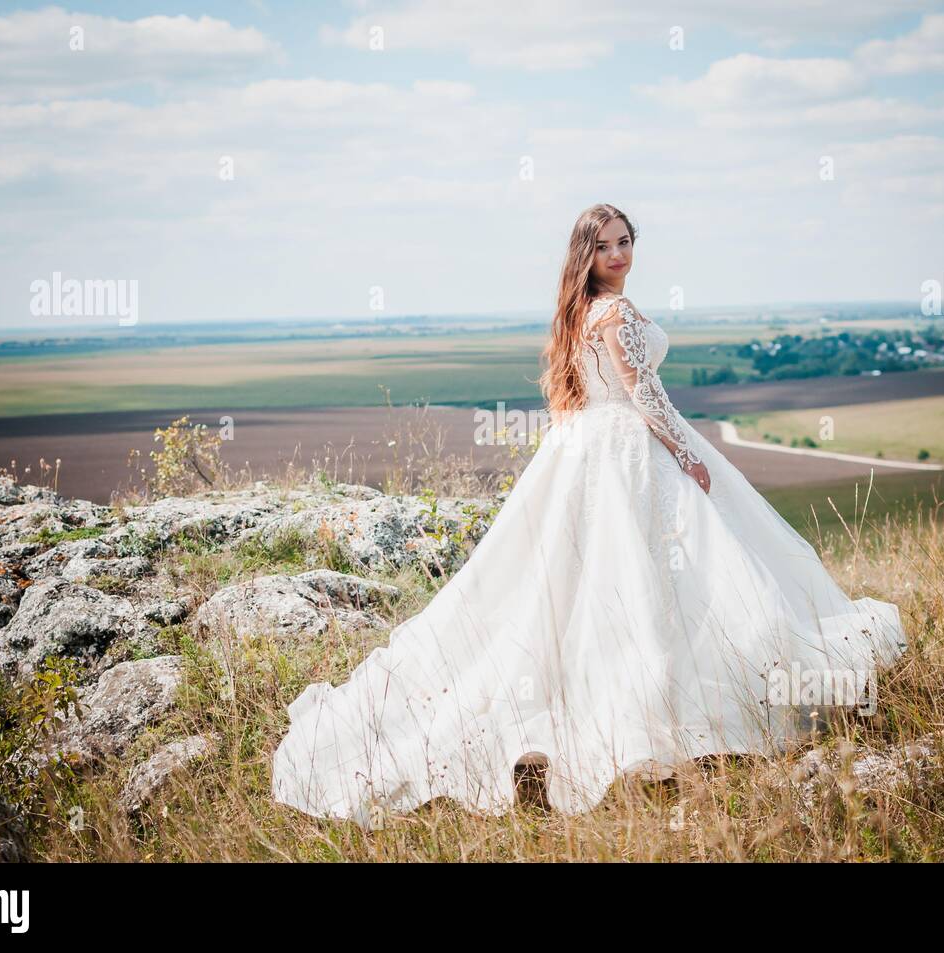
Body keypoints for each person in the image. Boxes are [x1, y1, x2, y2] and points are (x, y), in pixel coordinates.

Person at [271, 202, 908, 828]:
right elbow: (642, 389)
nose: (618, 255)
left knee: (605, 575)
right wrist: (688, 455)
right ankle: (664, 713)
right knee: (657, 571)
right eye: (604, 246)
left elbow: (581, 395)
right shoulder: (615, 311)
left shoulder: (577, 313)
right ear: (586, 255)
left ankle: (649, 706)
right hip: (631, 447)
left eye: (625, 241)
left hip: (587, 445)